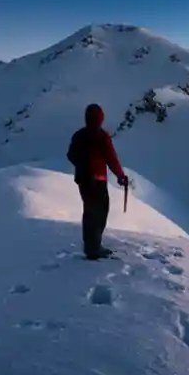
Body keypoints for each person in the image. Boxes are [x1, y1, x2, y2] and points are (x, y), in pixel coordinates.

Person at [66, 103, 128, 260]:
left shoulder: (79, 135)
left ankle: (90, 246)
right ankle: (94, 248)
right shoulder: (102, 137)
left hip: (83, 180)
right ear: (100, 119)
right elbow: (111, 159)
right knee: (100, 212)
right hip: (98, 181)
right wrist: (120, 176)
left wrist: (82, 166)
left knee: (89, 212)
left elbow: (70, 155)